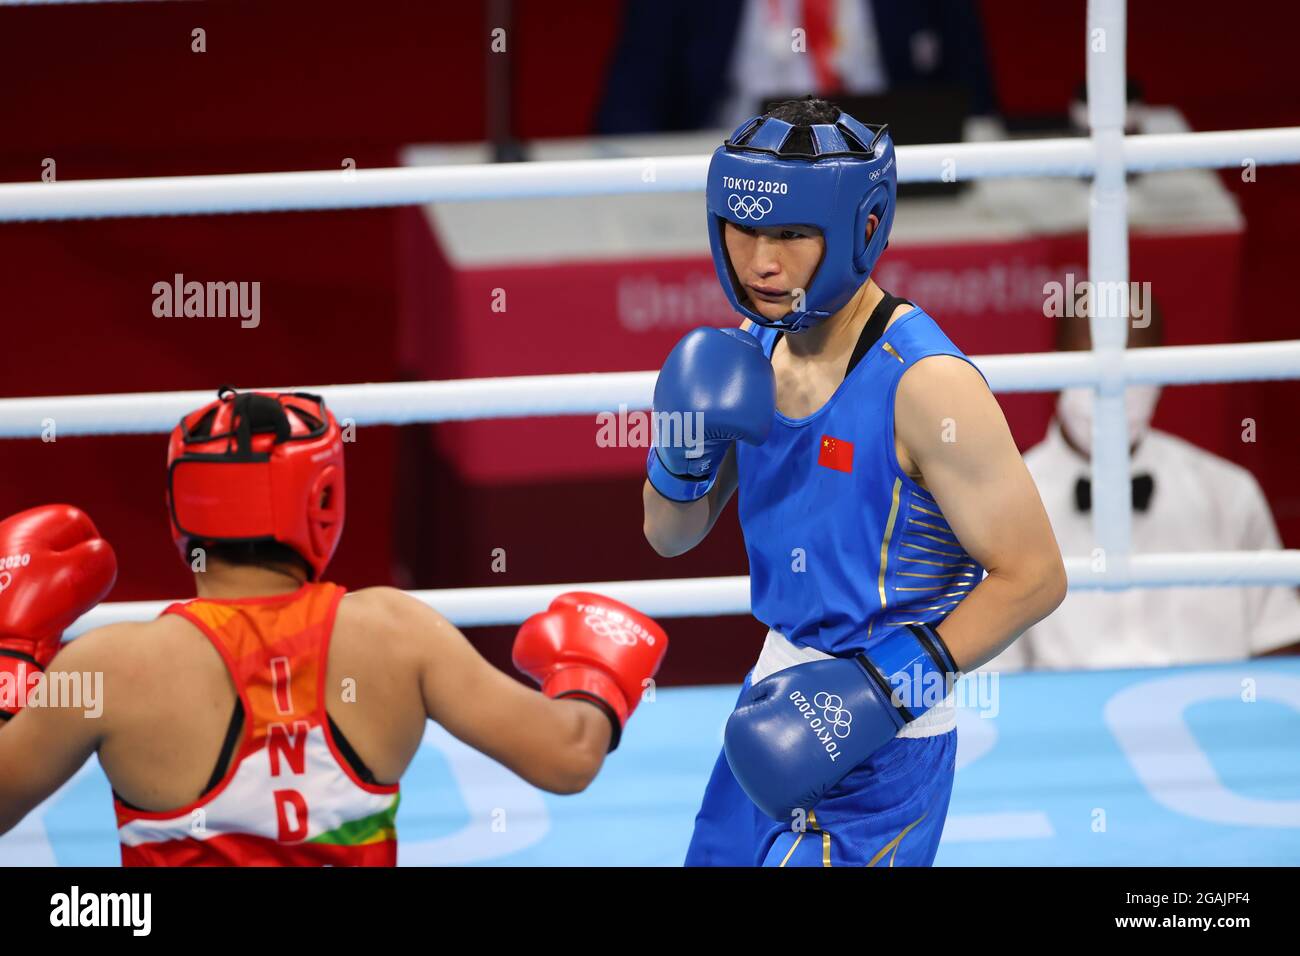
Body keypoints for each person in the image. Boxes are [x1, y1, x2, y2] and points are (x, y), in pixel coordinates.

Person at [642, 97, 1065, 866]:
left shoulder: (929, 386)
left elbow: (1036, 576)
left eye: (792, 234)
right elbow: (669, 536)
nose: (762, 261)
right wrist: (678, 451)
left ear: (862, 227)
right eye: (745, 229)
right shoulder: (749, 352)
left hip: (887, 737)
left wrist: (880, 692)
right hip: (770, 701)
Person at [0, 387, 667, 865]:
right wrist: (593, 678)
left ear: (181, 512)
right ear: (323, 499)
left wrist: (9, 663)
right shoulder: (395, 635)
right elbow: (570, 755)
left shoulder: (110, 669)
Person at [990, 299, 1300, 670]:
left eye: (1133, 361)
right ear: (1058, 362)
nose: (1112, 384)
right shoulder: (1004, 505)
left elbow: (1279, 642)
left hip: (1214, 719)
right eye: (1089, 358)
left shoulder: (1229, 492)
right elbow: (996, 673)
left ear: (1161, 368)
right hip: (1066, 724)